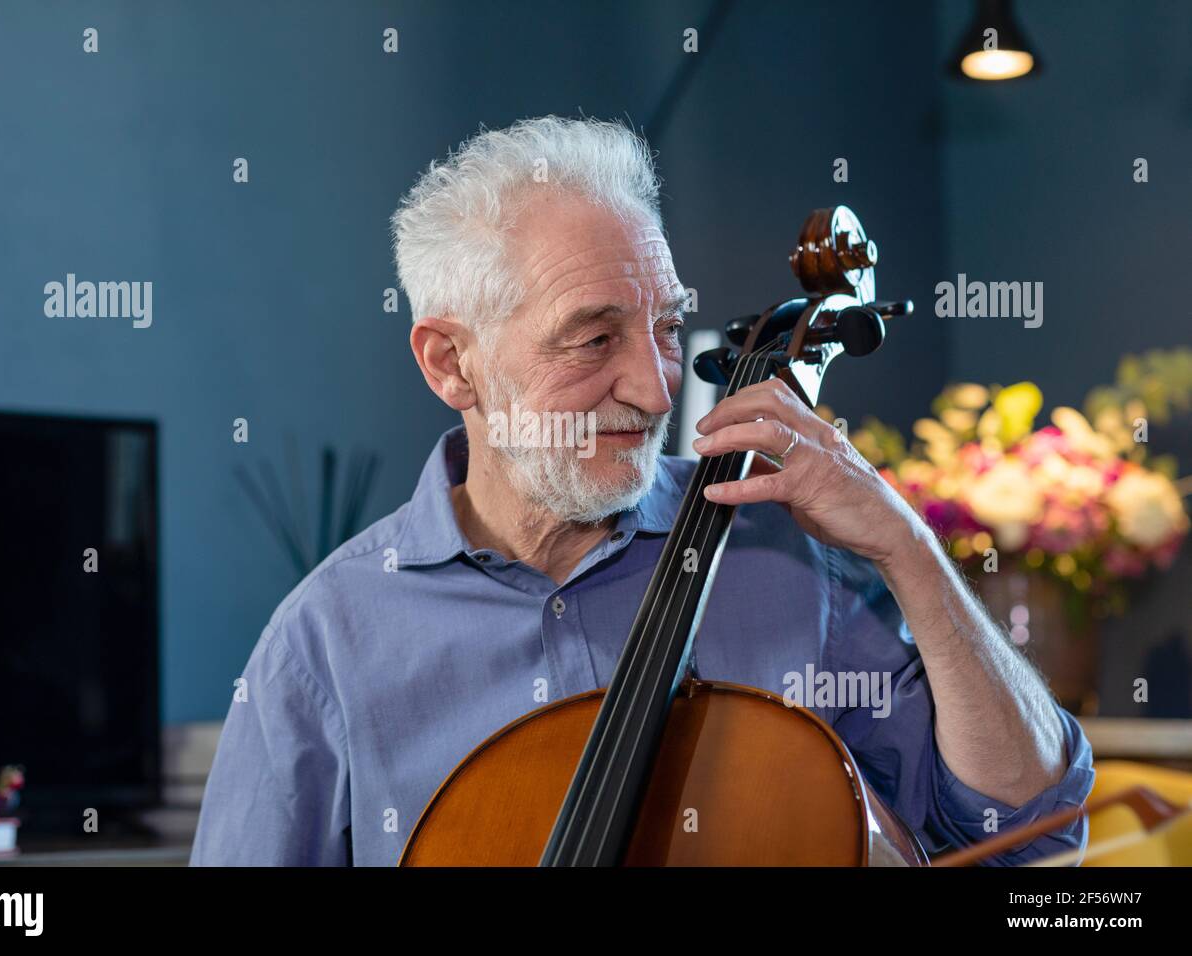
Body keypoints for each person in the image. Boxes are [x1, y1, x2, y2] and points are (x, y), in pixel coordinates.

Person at [191, 116, 1093, 866]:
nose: (658, 390)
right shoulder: (325, 645)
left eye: (665, 329)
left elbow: (1024, 838)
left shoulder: (788, 556)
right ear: (449, 363)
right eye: (593, 340)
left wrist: (909, 550)